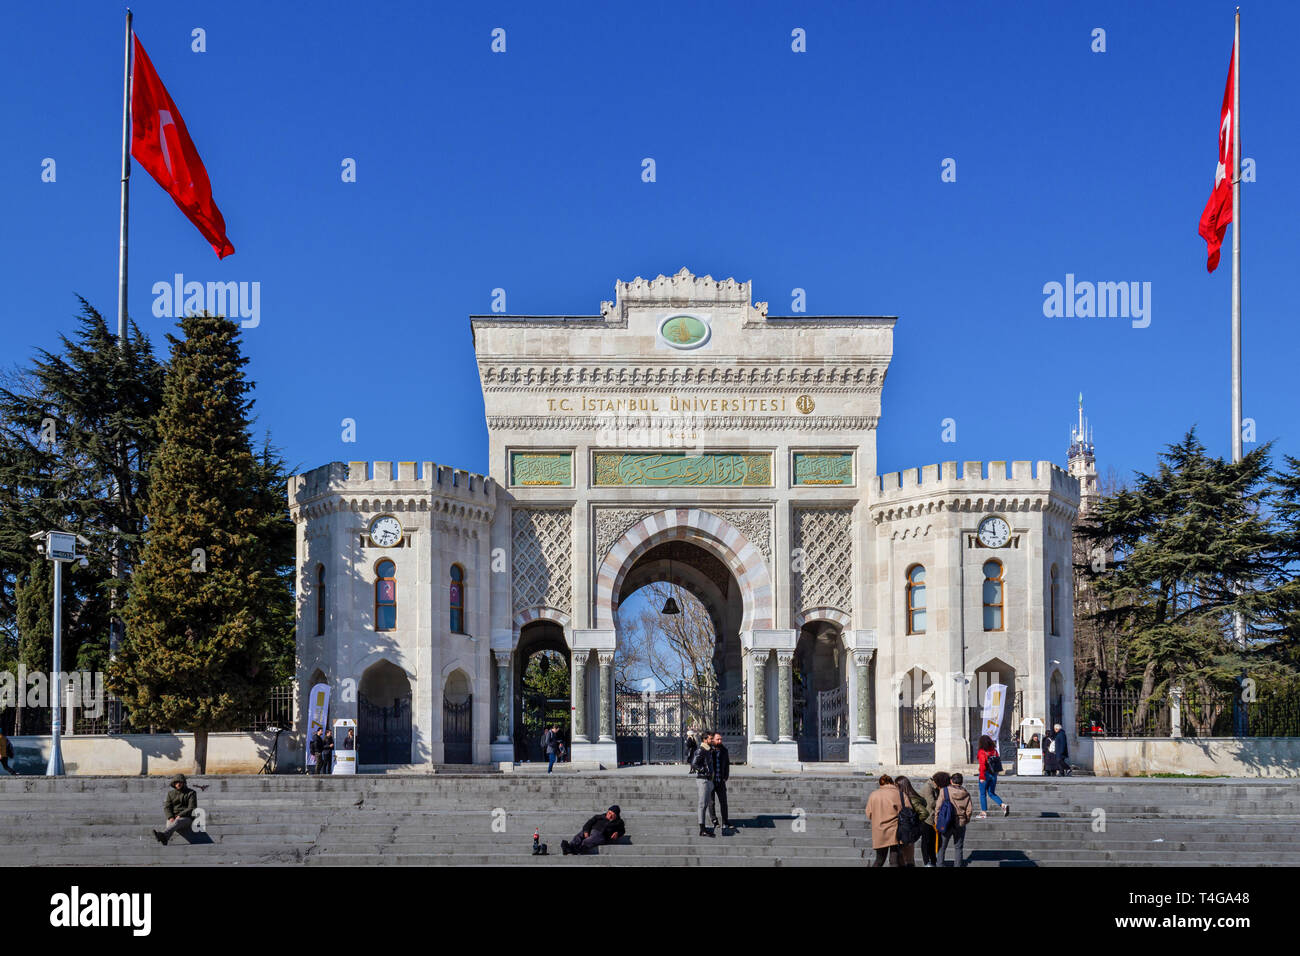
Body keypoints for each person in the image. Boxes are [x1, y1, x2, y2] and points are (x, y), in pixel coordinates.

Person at [691, 730, 731, 835]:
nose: (718, 740)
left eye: (719, 739)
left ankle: (725, 821)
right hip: (708, 779)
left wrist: (726, 776)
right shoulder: (706, 750)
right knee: (708, 803)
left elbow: (727, 764)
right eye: (716, 739)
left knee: (723, 802)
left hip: (719, 779)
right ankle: (711, 822)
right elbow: (694, 763)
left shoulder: (723, 750)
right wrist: (704, 770)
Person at [934, 772, 974, 867]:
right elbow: (969, 810)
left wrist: (936, 821)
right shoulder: (966, 793)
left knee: (942, 847)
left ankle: (940, 864)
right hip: (960, 822)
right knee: (958, 847)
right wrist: (965, 820)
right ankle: (958, 865)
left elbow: (938, 807)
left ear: (951, 781)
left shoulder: (944, 791)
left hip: (946, 822)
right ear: (961, 782)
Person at [865, 774, 903, 867]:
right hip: (895, 830)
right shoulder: (898, 793)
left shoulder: (873, 794)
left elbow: (868, 813)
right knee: (894, 861)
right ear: (891, 782)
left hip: (879, 830)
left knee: (879, 860)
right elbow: (906, 810)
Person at [152, 774, 199, 845]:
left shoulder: (191, 793)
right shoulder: (170, 794)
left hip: (187, 818)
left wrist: (180, 815)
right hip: (174, 817)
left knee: (178, 821)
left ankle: (163, 835)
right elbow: (167, 807)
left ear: (184, 783)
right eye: (176, 782)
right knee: (169, 823)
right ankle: (165, 838)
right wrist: (170, 817)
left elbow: (192, 807)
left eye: (180, 782)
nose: (178, 784)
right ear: (174, 784)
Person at [561, 805, 625, 855]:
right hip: (591, 830)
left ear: (616, 816)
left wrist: (617, 833)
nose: (610, 815)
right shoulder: (599, 817)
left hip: (601, 835)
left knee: (588, 841)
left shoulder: (619, 822)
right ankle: (569, 847)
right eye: (609, 813)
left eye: (612, 815)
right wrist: (586, 831)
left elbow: (622, 831)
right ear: (607, 811)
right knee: (579, 835)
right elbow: (589, 823)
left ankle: (575, 850)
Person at [895, 775, 927, 867]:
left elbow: (924, 813)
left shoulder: (911, 799)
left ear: (901, 786)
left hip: (908, 830)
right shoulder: (908, 796)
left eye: (896, 786)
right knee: (907, 857)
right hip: (907, 830)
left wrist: (915, 823)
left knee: (907, 858)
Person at [921, 771, 950, 867]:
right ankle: (926, 862)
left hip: (933, 818)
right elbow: (932, 803)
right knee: (926, 841)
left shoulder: (935, 787)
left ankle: (933, 861)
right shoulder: (928, 787)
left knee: (933, 841)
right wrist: (942, 800)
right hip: (926, 818)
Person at [977, 734, 1009, 819]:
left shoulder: (982, 752)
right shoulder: (995, 751)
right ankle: (1003, 805)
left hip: (985, 774)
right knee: (991, 793)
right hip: (994, 774)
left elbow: (982, 765)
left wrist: (982, 777)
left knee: (983, 794)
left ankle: (983, 813)